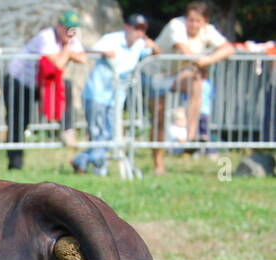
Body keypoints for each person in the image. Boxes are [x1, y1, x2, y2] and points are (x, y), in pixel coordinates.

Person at [151, 2, 235, 173]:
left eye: (198, 21)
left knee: (197, 82)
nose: (194, 24)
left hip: (177, 75)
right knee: (158, 120)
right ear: (185, 18)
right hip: (155, 75)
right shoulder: (176, 25)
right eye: (191, 20)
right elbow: (185, 50)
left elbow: (229, 48)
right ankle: (158, 165)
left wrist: (207, 61)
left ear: (205, 21)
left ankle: (190, 135)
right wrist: (202, 62)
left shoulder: (208, 30)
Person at [71, 14, 156, 175]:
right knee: (98, 134)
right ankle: (95, 167)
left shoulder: (140, 45)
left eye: (142, 29)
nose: (138, 32)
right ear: (127, 27)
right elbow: (88, 49)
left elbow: (156, 52)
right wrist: (104, 52)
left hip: (116, 97)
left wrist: (152, 45)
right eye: (136, 28)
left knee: (110, 135)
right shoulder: (112, 39)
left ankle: (82, 160)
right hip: (96, 94)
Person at [4, 9, 86, 170]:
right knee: (18, 122)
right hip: (20, 81)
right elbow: (58, 63)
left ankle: (67, 128)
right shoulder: (46, 36)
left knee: (66, 87)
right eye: (68, 28)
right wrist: (68, 51)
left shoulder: (71, 39)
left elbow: (83, 58)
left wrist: (67, 51)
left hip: (41, 83)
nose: (71, 33)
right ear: (59, 26)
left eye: (74, 29)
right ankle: (15, 165)